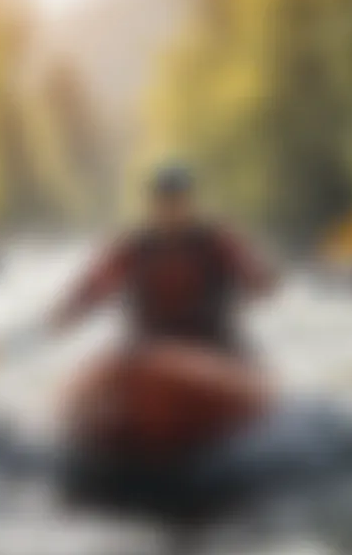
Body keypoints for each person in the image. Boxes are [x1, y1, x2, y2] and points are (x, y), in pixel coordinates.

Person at [47, 163, 278, 467]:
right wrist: (68, 310)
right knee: (127, 369)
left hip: (214, 351)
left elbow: (258, 280)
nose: (171, 207)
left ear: (190, 202)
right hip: (149, 351)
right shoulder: (132, 246)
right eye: (164, 199)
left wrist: (261, 279)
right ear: (153, 204)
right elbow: (94, 286)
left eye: (177, 199)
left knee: (187, 367)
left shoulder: (217, 241)